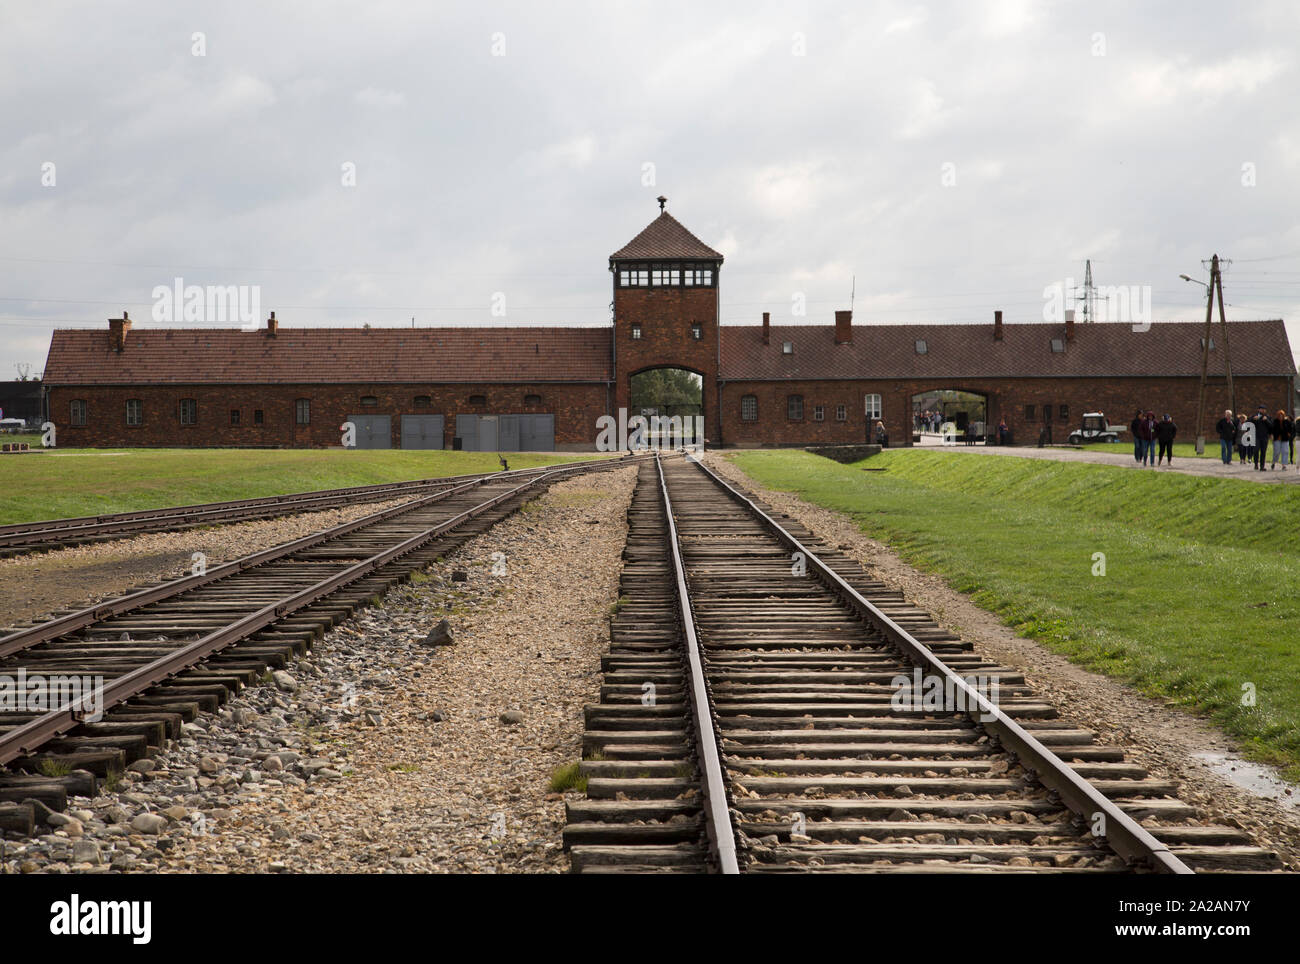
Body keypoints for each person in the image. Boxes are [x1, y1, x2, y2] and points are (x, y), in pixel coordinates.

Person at [1250, 406, 1272, 471]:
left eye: (1264, 409)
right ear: (1258, 409)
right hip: (1256, 437)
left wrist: (1266, 420)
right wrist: (1253, 419)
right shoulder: (1254, 416)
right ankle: (1256, 464)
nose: (1262, 410)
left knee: (1263, 452)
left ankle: (1262, 466)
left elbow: (1271, 426)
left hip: (1265, 437)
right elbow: (1247, 423)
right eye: (1261, 409)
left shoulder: (1268, 417)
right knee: (1256, 450)